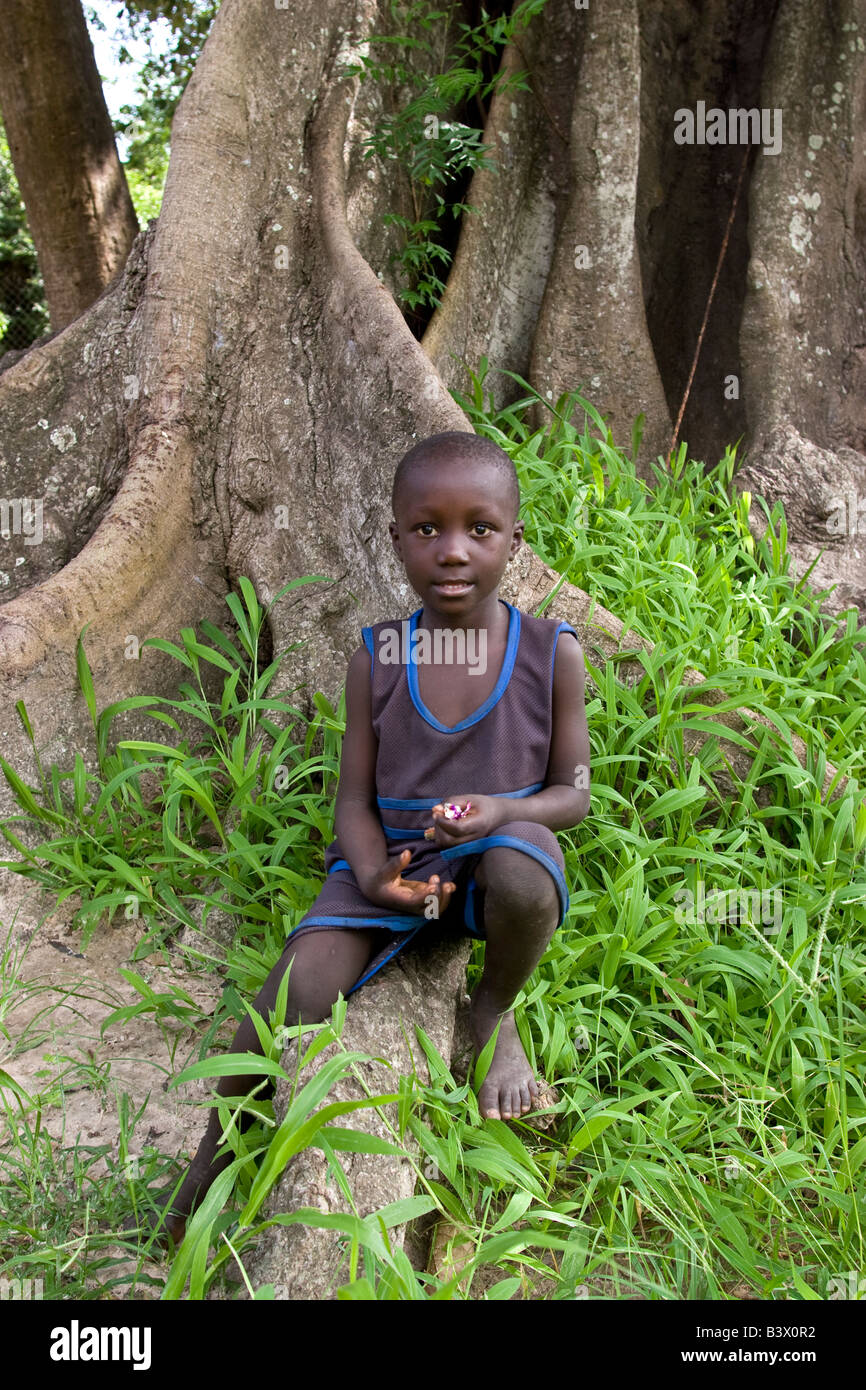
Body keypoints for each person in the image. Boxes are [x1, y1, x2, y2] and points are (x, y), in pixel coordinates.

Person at [155, 430, 590, 1246]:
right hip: (390, 861)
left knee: (526, 878)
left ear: (515, 541)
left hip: (498, 856)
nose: (453, 552)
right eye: (427, 529)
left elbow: (574, 795)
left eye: (480, 529)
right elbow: (352, 801)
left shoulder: (550, 652)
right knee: (294, 991)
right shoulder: (380, 656)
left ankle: (490, 1012)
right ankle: (211, 1164)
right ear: (394, 538)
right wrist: (371, 872)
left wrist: (501, 812)